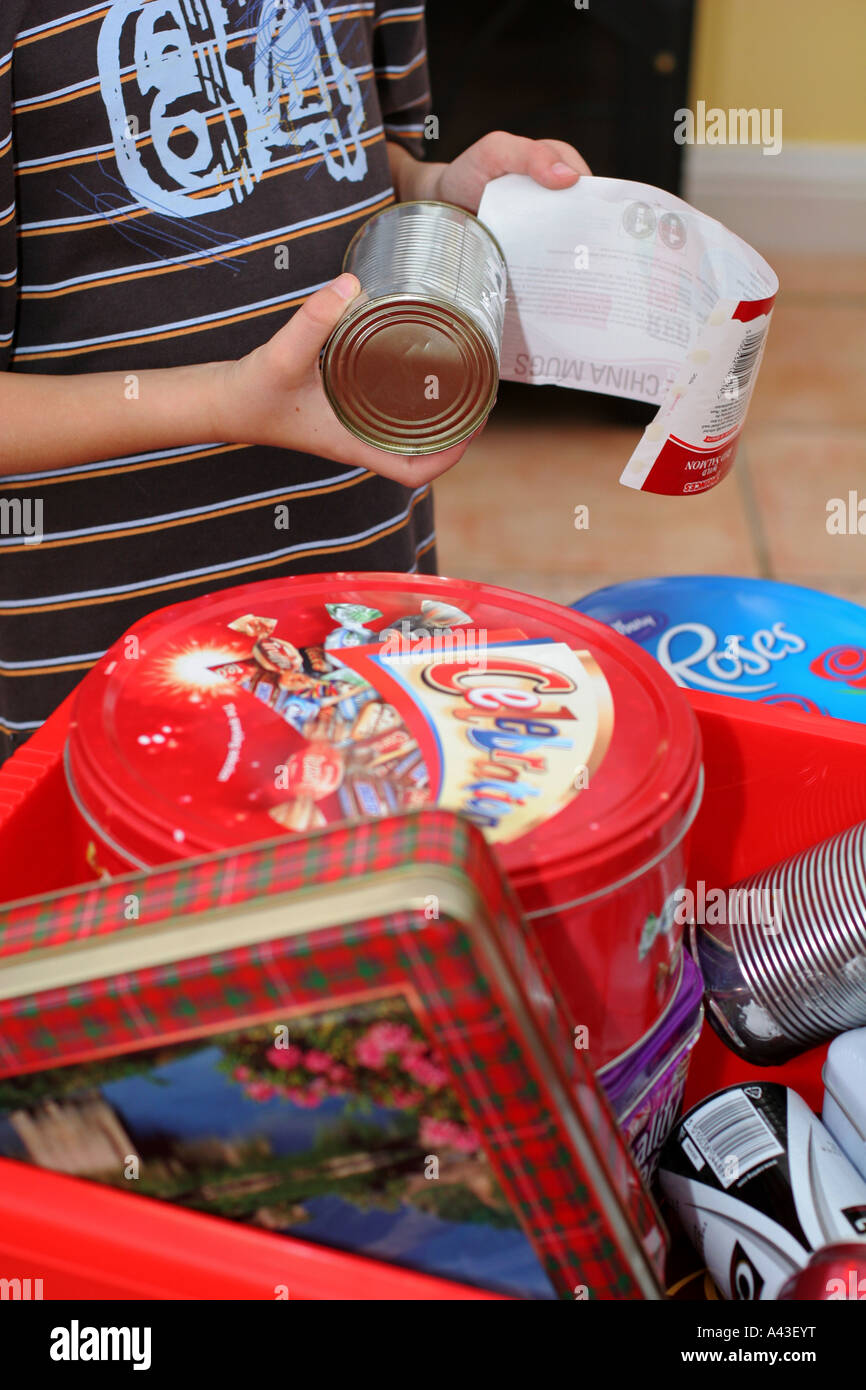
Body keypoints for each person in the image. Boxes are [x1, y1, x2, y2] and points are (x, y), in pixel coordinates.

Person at [0, 0, 588, 765]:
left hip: (362, 584)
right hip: (101, 655)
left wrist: (437, 193)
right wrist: (222, 401)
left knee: (357, 839)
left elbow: (368, 154)